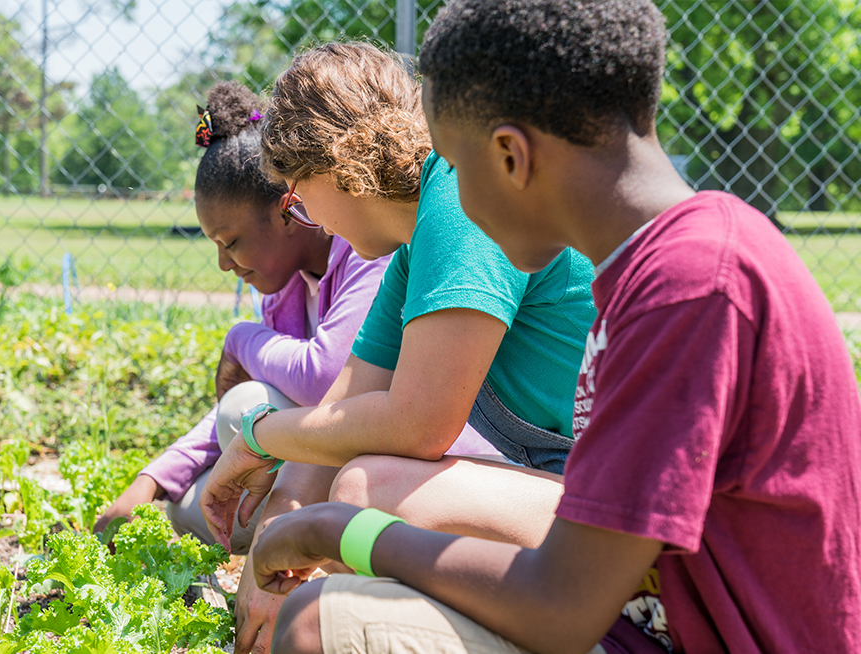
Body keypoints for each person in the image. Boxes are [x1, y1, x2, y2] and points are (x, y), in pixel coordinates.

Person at [248, 1, 861, 652]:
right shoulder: (663, 263)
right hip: (668, 602)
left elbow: (559, 605)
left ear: (509, 156)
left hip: (701, 631)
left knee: (318, 626)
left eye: (454, 166)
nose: (452, 200)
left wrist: (341, 532)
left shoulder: (692, 287)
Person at [200, 42, 597, 652]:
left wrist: (259, 438)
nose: (317, 222)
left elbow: (419, 424)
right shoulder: (415, 242)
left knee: (368, 490)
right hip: (569, 486)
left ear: (341, 164)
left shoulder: (464, 200)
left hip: (627, 522)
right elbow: (346, 408)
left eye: (301, 196)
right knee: (354, 484)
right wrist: (278, 535)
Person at [92, 81, 392, 553]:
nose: (224, 265)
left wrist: (240, 339)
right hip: (316, 455)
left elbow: (324, 378)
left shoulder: (364, 249)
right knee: (185, 505)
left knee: (246, 404)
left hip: (369, 463)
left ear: (288, 211)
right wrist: (150, 480)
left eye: (229, 243)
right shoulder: (287, 286)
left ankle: (300, 530)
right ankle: (290, 524)